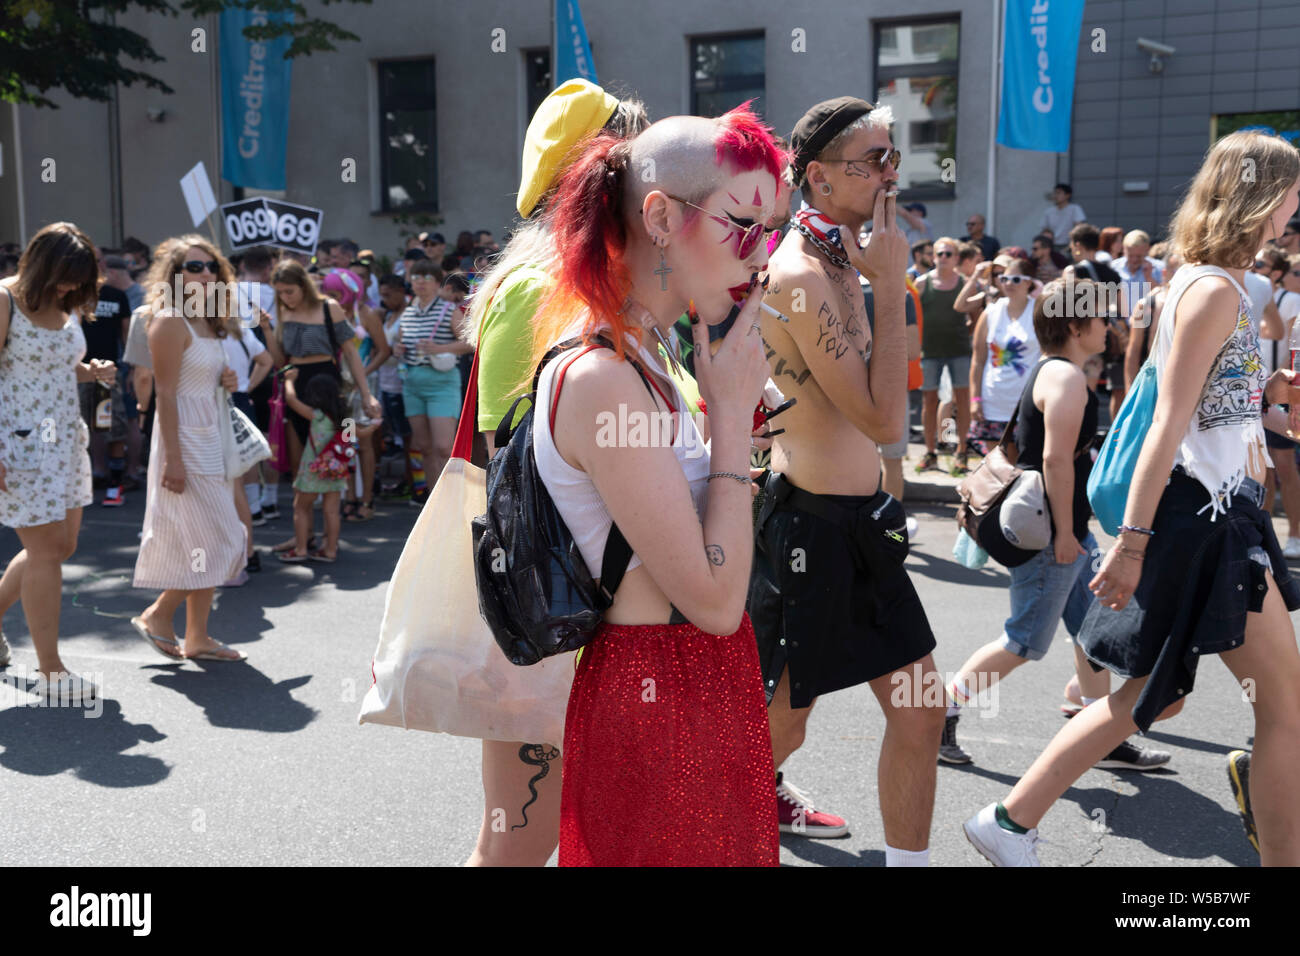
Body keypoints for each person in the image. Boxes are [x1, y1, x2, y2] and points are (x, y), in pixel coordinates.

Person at [965, 130, 1300, 867]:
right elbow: (1167, 427)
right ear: (1266, 196)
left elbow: (1206, 412)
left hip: (1216, 513)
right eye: (1293, 192)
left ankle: (1009, 820)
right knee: (1277, 711)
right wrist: (1134, 543)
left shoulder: (1206, 281)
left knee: (1144, 697)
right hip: (1206, 519)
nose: (1297, 207)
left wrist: (1267, 410)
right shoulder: (1213, 289)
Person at [529, 106, 783, 866]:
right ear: (662, 218)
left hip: (696, 681)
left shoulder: (654, 359)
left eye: (771, 229)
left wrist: (732, 431)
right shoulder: (606, 377)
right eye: (742, 224)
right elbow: (711, 600)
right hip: (658, 688)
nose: (761, 254)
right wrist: (731, 421)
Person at [453, 80, 648, 867]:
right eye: (637, 156)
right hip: (551, 606)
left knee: (582, 833)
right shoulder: (539, 289)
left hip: (599, 604)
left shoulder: (610, 292)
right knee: (518, 840)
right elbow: (507, 466)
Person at [753, 95, 945, 864]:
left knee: (922, 712)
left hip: (860, 522)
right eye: (873, 161)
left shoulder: (841, 254)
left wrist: (877, 276)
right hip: (811, 530)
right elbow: (882, 421)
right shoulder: (800, 272)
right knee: (784, 724)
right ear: (818, 180)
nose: (890, 173)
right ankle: (708, 822)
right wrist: (893, 289)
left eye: (893, 155)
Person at [944, 277, 1170, 769]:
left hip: (1065, 530)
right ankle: (939, 711)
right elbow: (1055, 462)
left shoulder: (1054, 370)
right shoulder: (1066, 379)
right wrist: (1067, 536)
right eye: (1101, 318)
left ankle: (1100, 735)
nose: (1109, 327)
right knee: (1024, 642)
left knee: (1092, 635)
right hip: (1053, 533)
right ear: (1074, 325)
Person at [0, 223, 114, 700]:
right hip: (20, 445)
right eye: (65, 277)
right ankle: (51, 671)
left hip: (66, 440)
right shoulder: (5, 299)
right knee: (47, 553)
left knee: (61, 547)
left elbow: (50, 367)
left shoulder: (66, 306)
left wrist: (90, 372)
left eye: (79, 281)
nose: (70, 288)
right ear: (42, 264)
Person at [131, 236, 247, 663]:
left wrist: (224, 381)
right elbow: (164, 394)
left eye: (211, 266)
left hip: (211, 436)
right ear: (176, 275)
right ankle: (159, 614)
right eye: (194, 267)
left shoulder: (209, 321)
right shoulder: (169, 320)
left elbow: (196, 382)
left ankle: (197, 636)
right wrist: (174, 459)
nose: (205, 274)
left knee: (205, 541)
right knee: (225, 537)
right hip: (184, 442)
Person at [264, 260, 381, 550]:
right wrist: (267, 329)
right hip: (296, 383)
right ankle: (303, 534)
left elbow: (351, 354)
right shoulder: (283, 310)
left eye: (289, 291)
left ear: (303, 285)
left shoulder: (329, 307)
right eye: (279, 292)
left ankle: (329, 539)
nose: (285, 297)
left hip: (327, 387)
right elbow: (280, 361)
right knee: (299, 464)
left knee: (332, 456)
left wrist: (366, 395)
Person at [394, 263, 470, 507]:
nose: (421, 281)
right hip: (412, 381)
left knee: (443, 447)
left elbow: (470, 342)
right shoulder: (408, 311)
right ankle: (434, 501)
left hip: (441, 383)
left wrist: (440, 348)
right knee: (424, 447)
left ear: (438, 283)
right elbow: (402, 342)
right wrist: (398, 349)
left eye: (427, 277)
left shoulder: (449, 310)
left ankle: (453, 501)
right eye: (416, 276)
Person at [967, 257, 1041, 457]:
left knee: (1023, 465)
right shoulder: (990, 312)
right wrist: (975, 399)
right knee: (997, 466)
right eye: (1004, 278)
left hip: (1026, 402)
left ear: (1029, 282)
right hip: (993, 402)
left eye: (1015, 279)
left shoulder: (1038, 313)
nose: (1008, 283)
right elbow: (978, 359)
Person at [221, 310, 273, 578]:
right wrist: (248, 387)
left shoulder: (210, 331)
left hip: (222, 404)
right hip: (240, 401)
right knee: (238, 478)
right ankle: (247, 551)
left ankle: (240, 552)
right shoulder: (240, 328)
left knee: (229, 482)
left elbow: (266, 360)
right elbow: (266, 360)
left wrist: (247, 387)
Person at [915, 236, 973, 474]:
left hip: (959, 350)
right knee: (929, 402)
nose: (943, 258)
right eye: (939, 254)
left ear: (957, 258)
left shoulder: (966, 282)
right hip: (929, 351)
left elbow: (977, 316)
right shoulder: (921, 283)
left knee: (962, 401)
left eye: (948, 254)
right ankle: (931, 452)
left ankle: (961, 451)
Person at [278, 370, 347, 562]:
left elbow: (291, 400)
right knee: (332, 511)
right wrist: (373, 426)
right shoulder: (344, 418)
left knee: (300, 507)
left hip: (313, 471)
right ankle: (330, 550)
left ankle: (301, 549)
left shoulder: (317, 416)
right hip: (335, 470)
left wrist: (289, 381)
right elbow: (353, 438)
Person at [81, 253, 132, 506]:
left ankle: (114, 486)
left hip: (107, 373)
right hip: (76, 374)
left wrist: (130, 368)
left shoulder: (116, 296)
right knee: (77, 429)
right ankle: (84, 481)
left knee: (114, 429)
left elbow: (127, 336)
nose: (98, 267)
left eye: (100, 262)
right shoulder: (73, 295)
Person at [1065, 224, 1126, 419]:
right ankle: (1088, 440)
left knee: (1074, 393)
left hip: (1077, 339)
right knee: (1089, 393)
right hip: (1101, 339)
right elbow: (1122, 310)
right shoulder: (1112, 274)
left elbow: (1063, 308)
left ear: (1077, 245)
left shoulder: (1073, 272)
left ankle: (1076, 440)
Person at [1038, 183, 1086, 250]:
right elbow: (1045, 229)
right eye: (1055, 193)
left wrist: (1074, 242)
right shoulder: (1048, 211)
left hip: (1069, 246)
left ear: (1068, 195)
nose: (1055, 196)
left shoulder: (1075, 209)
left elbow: (1079, 227)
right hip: (1052, 245)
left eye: (1059, 193)